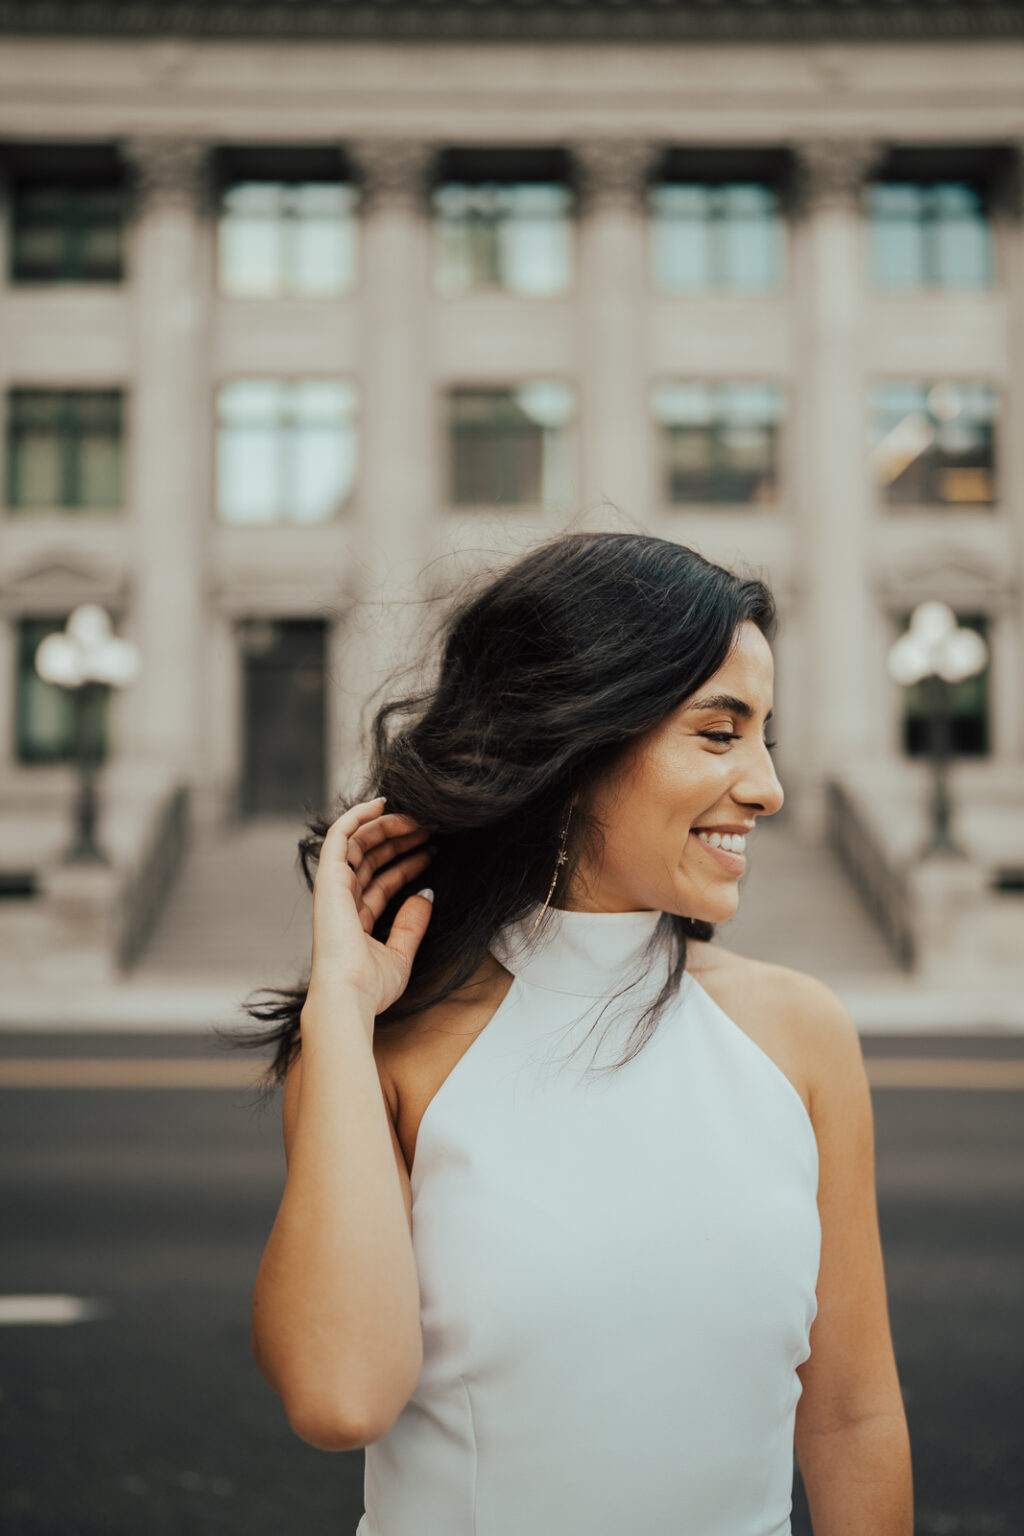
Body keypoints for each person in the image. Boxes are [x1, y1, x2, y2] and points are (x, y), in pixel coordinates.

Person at [242, 530, 913, 1534]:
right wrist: (338, 1010)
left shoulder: (800, 1036)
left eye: (764, 733)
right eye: (720, 733)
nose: (768, 786)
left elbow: (851, 1417)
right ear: (575, 740)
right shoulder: (389, 1049)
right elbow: (341, 1399)